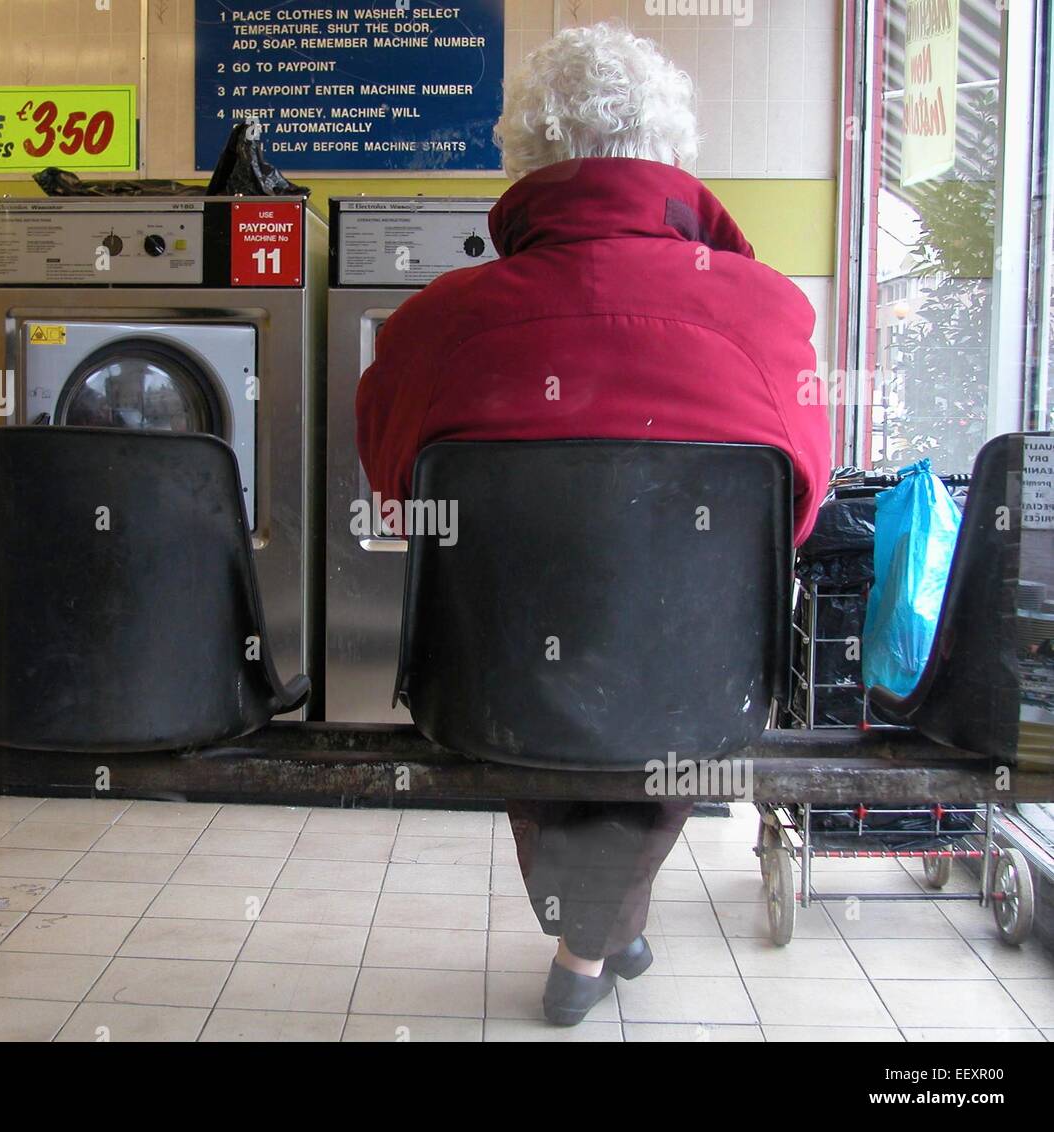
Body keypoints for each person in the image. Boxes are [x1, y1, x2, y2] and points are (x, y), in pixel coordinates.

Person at [356, 23, 831, 1026]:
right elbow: (797, 511)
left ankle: (593, 936)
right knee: (654, 650)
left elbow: (399, 501)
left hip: (494, 681)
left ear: (524, 160)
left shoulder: (433, 323)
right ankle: (598, 935)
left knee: (541, 650)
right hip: (699, 680)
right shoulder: (766, 311)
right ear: (671, 158)